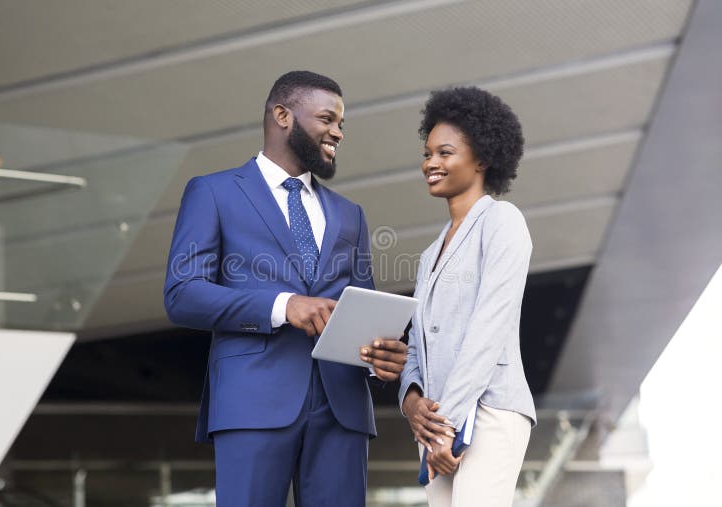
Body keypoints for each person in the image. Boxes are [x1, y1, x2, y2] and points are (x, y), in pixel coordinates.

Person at [164, 71, 408, 507]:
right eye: (327, 119)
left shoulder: (349, 213)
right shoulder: (213, 192)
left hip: (342, 409)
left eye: (341, 124)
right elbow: (183, 293)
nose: (338, 132)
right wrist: (282, 305)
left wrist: (379, 357)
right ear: (283, 115)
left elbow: (362, 308)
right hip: (252, 403)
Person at [399, 87, 536, 507]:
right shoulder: (430, 255)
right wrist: (412, 402)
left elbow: (488, 330)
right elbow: (417, 345)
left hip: (488, 413)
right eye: (427, 154)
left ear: (482, 159)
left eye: (445, 153)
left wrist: (447, 425)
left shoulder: (502, 221)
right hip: (437, 426)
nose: (431, 163)